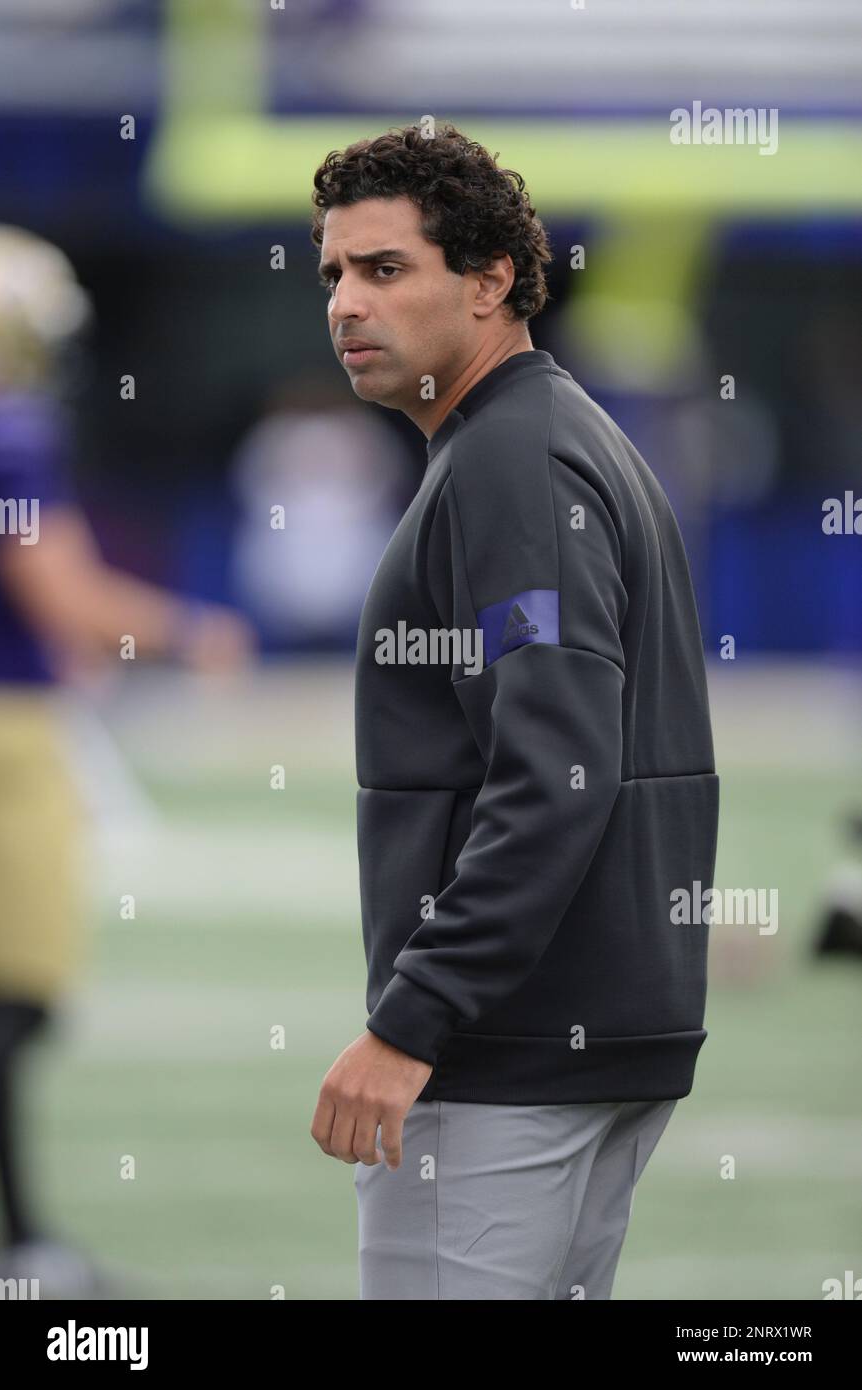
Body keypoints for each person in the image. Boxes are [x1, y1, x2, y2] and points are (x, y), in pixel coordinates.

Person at [308, 124, 719, 1300]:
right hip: (582, 1031)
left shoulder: (511, 460)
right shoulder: (550, 436)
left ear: (490, 281)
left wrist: (414, 1019)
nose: (344, 302)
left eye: (385, 270)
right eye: (334, 271)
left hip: (510, 1048)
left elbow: (555, 773)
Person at [0, 225, 252, 1296]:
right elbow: (68, 602)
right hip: (8, 736)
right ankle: (27, 1249)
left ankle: (27, 1241)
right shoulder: (13, 433)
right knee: (15, 1001)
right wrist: (192, 631)